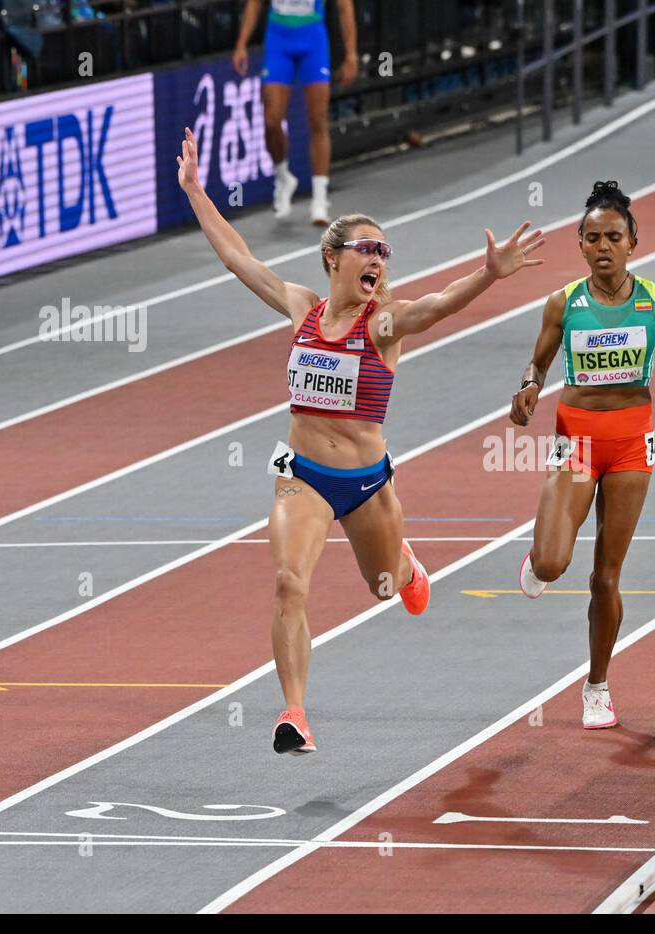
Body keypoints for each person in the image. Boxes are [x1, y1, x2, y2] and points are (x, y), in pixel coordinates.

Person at [176, 127, 545, 755]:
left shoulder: (385, 325)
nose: (378, 259)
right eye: (366, 248)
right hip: (303, 477)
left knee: (382, 578)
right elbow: (240, 258)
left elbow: (438, 304)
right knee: (289, 583)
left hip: (368, 485)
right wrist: (194, 191)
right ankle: (294, 713)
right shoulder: (301, 308)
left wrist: (488, 275)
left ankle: (404, 565)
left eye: (385, 251)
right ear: (333, 257)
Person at [510, 181, 655, 729]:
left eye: (613, 237)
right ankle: (536, 560)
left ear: (634, 242)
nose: (603, 246)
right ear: (579, 245)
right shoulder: (564, 302)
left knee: (606, 576)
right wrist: (529, 388)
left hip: (632, 441)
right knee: (554, 564)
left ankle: (597, 686)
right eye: (592, 238)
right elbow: (537, 363)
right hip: (576, 438)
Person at [233, 0, 357, 226]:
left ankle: (319, 198)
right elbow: (254, 4)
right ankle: (283, 178)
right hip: (278, 40)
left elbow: (344, 7)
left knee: (317, 119)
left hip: (313, 40)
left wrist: (351, 55)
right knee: (271, 121)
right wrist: (242, 43)